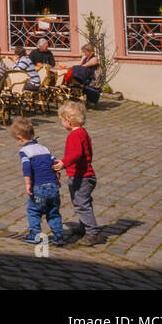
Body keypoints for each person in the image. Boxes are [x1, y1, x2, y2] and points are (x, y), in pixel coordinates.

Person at [54, 101, 103, 246]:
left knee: (81, 204)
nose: (62, 123)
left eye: (62, 120)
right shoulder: (83, 132)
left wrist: (64, 163)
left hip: (81, 177)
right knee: (82, 202)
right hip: (86, 175)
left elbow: (76, 153)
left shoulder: (74, 135)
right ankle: (84, 226)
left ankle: (93, 233)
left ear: (68, 120)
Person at [12, 116, 66, 245]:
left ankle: (36, 234)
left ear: (20, 138)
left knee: (34, 210)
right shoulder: (44, 149)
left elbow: (27, 168)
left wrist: (28, 184)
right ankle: (59, 235)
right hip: (53, 186)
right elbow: (54, 164)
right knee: (53, 212)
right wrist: (57, 178)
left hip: (39, 187)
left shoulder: (24, 151)